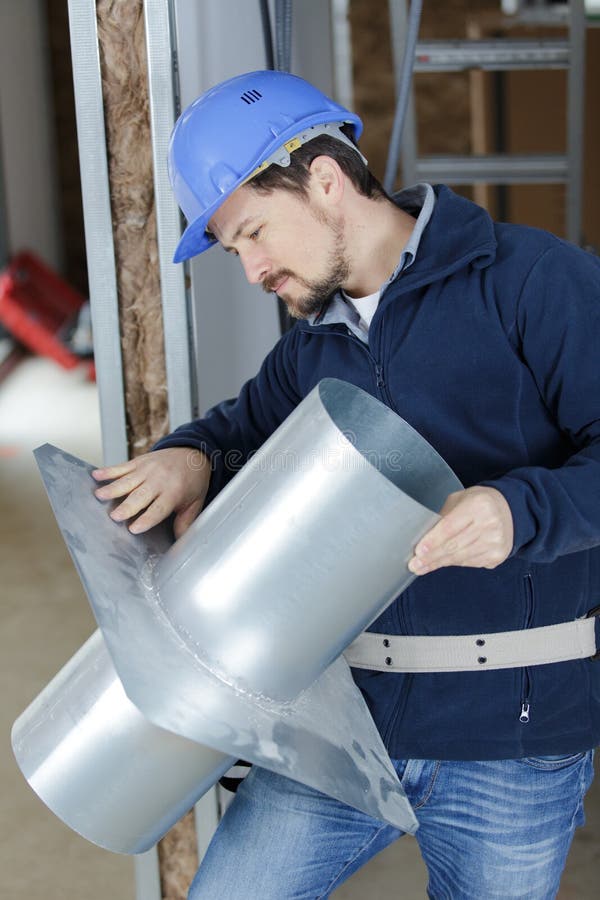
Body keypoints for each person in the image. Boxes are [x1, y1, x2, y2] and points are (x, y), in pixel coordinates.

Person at [91, 70, 600, 899]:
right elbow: (238, 429)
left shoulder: (535, 283)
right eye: (235, 250)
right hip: (341, 728)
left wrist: (521, 511)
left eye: (254, 233)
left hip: (513, 737)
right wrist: (192, 456)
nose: (252, 269)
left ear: (325, 180)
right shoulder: (312, 349)